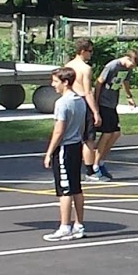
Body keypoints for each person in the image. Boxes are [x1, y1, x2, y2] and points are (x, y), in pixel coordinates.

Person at [42, 67, 89, 241]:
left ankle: (65, 227)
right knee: (76, 187)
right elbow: (83, 126)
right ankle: (79, 225)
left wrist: (49, 152)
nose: (53, 85)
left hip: (64, 148)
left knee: (65, 190)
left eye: (55, 81)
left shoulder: (62, 103)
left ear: (65, 82)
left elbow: (58, 131)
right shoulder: (80, 101)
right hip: (76, 146)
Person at [89, 48, 138, 182]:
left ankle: (101, 161)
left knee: (116, 133)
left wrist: (129, 96)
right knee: (107, 133)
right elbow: (99, 82)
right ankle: (95, 166)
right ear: (127, 58)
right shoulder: (112, 66)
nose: (132, 68)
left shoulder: (127, 69)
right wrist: (95, 103)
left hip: (112, 103)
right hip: (103, 103)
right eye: (132, 65)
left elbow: (125, 82)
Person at [65, 38, 99, 170]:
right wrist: (95, 112)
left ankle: (70, 166)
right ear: (83, 51)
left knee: (72, 136)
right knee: (88, 138)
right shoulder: (86, 69)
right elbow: (88, 92)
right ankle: (90, 171)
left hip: (70, 100)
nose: (91, 54)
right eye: (90, 51)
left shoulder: (68, 66)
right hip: (83, 101)